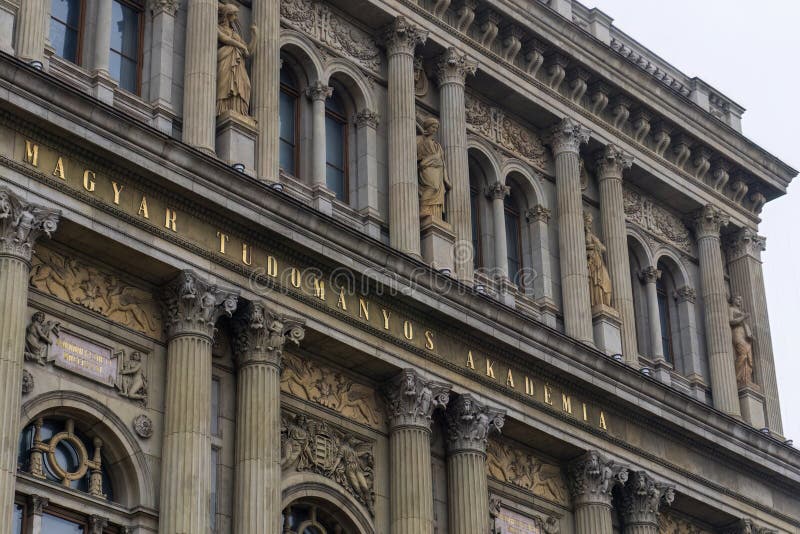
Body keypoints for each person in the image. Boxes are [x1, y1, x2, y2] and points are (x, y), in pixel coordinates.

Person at [217, 4, 256, 117]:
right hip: (225, 59)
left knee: (245, 85)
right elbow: (224, 39)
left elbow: (248, 51)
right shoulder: (218, 28)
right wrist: (241, 46)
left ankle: (238, 111)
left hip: (238, 63)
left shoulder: (235, 34)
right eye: (234, 15)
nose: (235, 17)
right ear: (227, 15)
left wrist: (255, 36)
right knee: (225, 85)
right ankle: (223, 109)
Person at [416, 118, 451, 222]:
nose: (435, 129)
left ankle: (433, 213)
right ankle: (423, 208)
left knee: (437, 189)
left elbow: (442, 161)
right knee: (432, 187)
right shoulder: (419, 139)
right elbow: (418, 156)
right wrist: (433, 158)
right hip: (427, 168)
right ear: (427, 127)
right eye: (433, 127)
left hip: (438, 171)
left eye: (436, 128)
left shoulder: (437, 145)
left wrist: (446, 179)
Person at [584, 212, 612, 308]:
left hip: (599, 262)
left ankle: (604, 303)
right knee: (597, 282)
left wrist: (595, 245)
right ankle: (598, 301)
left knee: (606, 282)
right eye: (588, 221)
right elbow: (586, 242)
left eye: (590, 222)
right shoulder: (586, 234)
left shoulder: (593, 236)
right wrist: (587, 232)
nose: (589, 224)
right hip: (593, 263)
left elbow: (603, 248)